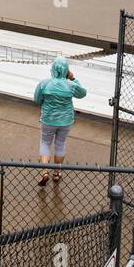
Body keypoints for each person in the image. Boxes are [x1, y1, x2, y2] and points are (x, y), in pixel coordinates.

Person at [33, 56, 86, 186]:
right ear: (66, 71)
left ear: (52, 69)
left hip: (48, 119)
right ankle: (56, 173)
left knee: (45, 143)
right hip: (65, 121)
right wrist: (73, 78)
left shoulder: (44, 83)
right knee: (60, 144)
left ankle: (45, 171)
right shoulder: (71, 85)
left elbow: (36, 99)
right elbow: (83, 93)